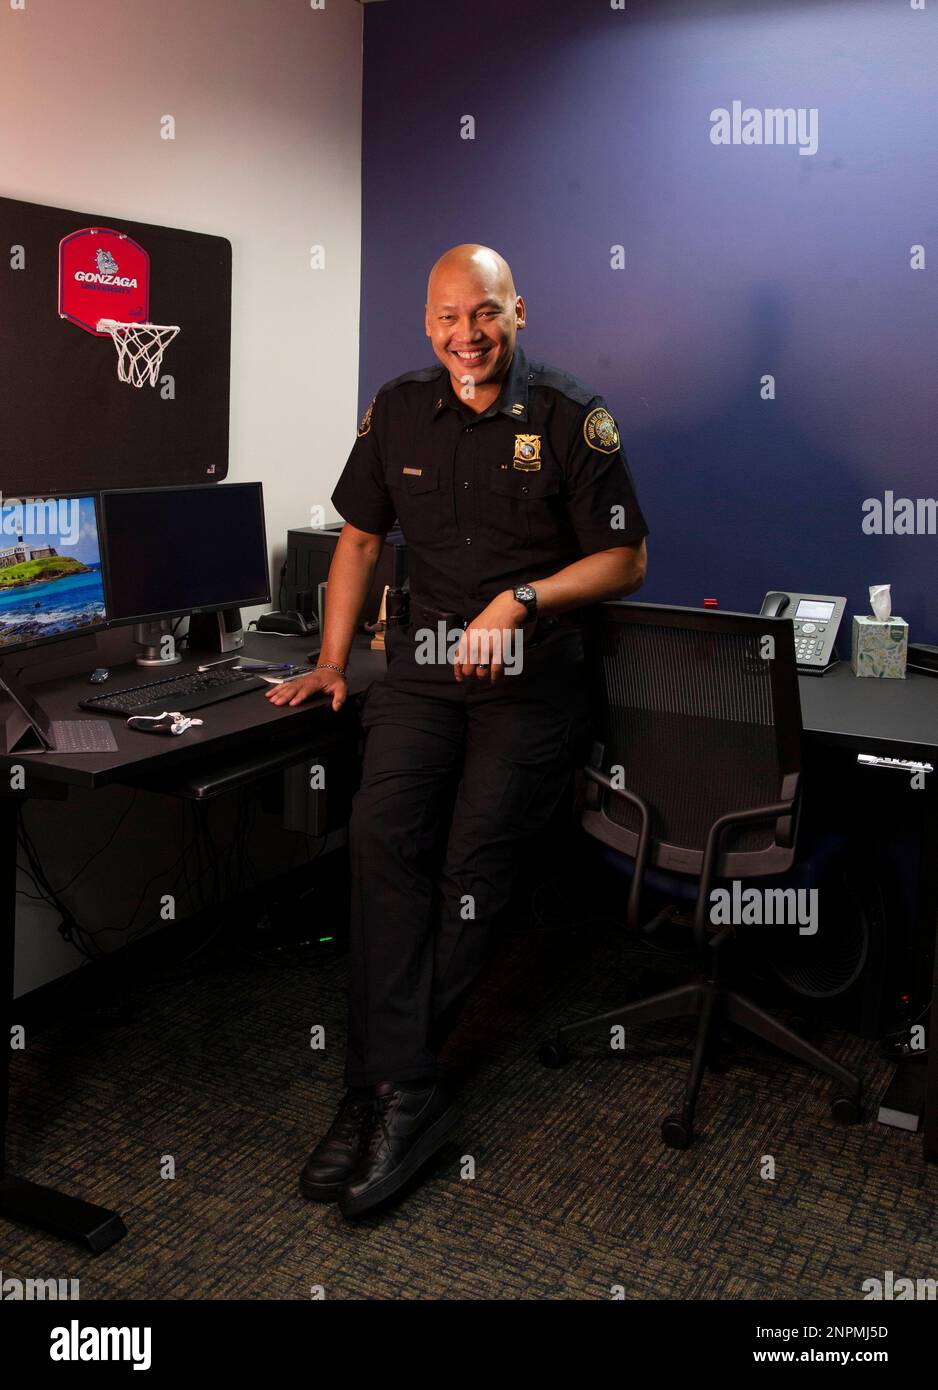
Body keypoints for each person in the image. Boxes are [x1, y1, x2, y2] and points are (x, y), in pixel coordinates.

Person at [267, 244, 649, 1219]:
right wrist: (327, 657)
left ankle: (383, 1091)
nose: (464, 335)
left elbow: (624, 559)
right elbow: (359, 539)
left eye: (481, 314)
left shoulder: (569, 415)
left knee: (469, 875)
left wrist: (519, 597)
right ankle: (402, 1090)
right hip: (421, 676)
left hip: (530, 686)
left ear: (516, 311)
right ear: (425, 324)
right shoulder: (396, 407)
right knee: (383, 845)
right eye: (445, 318)